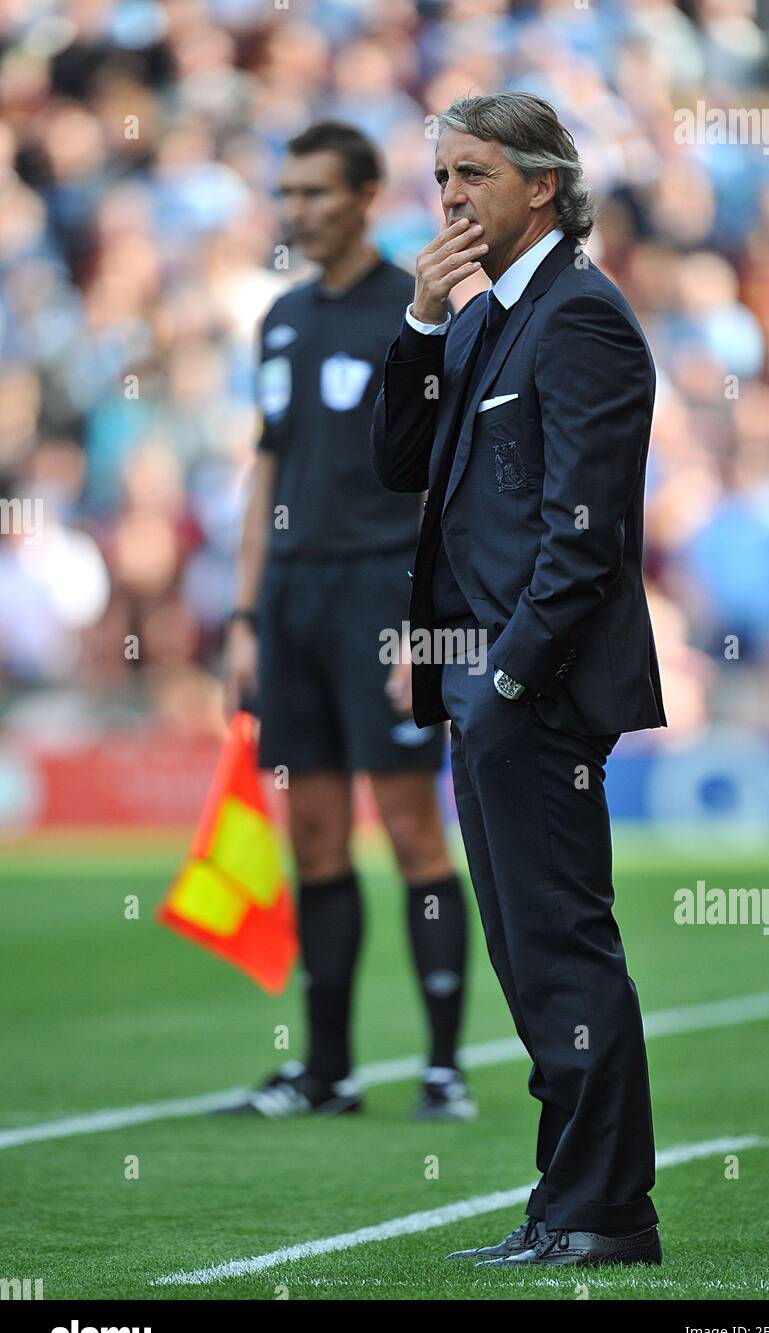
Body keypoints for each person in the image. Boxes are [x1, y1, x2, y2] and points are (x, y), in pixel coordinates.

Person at [371, 91, 666, 1267]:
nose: (447, 197)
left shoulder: (579, 319)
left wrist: (505, 679)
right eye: (441, 176)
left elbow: (581, 536)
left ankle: (603, 1211)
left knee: (559, 949)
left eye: (471, 174)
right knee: (525, 955)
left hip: (526, 691)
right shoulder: (491, 315)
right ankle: (567, 1204)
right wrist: (419, 317)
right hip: (476, 689)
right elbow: (401, 465)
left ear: (542, 185)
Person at [220, 121, 475, 1122]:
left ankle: (442, 1065)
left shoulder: (411, 312)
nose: (298, 211)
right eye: (286, 194)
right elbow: (267, 469)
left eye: (317, 193)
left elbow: (440, 479)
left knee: (411, 826)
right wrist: (243, 612)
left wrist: (424, 619)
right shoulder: (279, 318)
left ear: (367, 194)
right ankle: (325, 1071)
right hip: (290, 599)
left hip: (380, 594)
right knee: (313, 837)